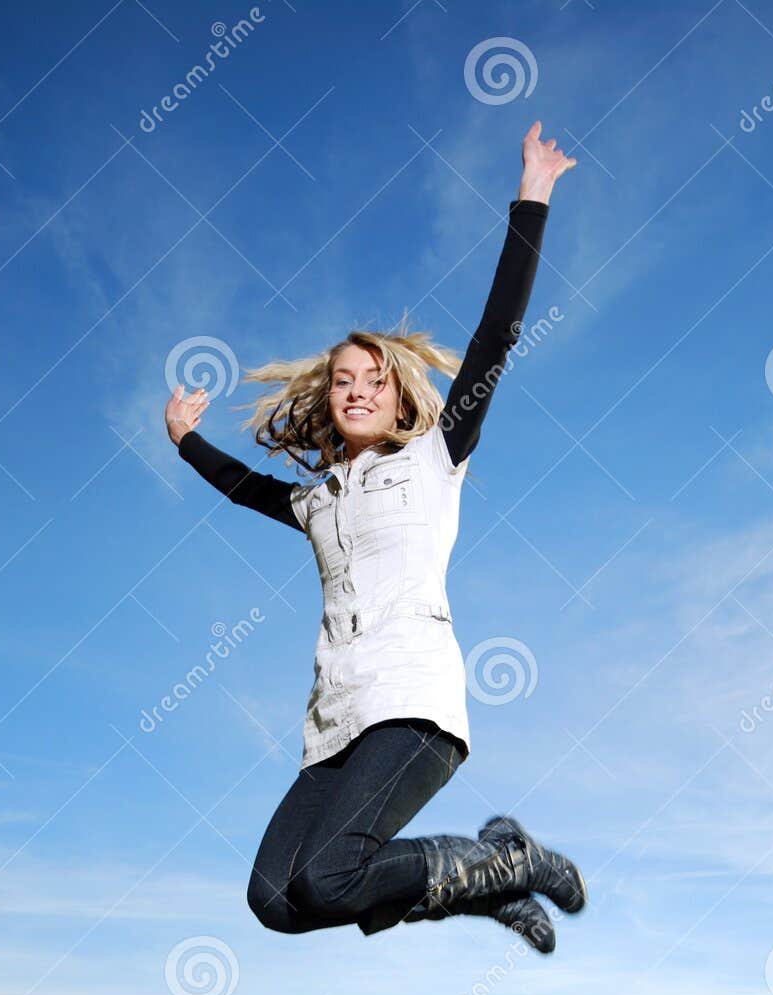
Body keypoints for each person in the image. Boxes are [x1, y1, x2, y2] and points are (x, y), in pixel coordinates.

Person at [165, 121, 586, 952]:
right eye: (343, 382)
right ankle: (479, 884)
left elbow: (494, 337)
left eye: (375, 380)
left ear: (399, 401)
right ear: (329, 401)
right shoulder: (317, 500)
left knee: (327, 877)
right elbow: (246, 487)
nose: (357, 390)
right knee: (274, 900)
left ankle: (503, 862)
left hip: (412, 704)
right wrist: (183, 439)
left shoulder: (437, 457)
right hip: (335, 722)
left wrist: (530, 196)